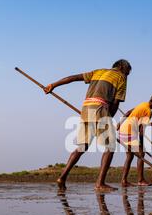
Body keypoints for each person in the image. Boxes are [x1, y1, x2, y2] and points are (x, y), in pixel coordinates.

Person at [44, 60, 131, 191]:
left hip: (86, 109)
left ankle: (62, 177)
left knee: (82, 146)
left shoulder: (99, 71)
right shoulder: (121, 78)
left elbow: (73, 78)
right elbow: (116, 103)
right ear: (123, 69)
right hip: (101, 108)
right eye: (127, 73)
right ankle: (100, 183)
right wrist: (108, 118)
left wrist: (53, 85)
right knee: (110, 147)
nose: (127, 75)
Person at [117, 93, 152, 187]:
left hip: (123, 130)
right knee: (141, 154)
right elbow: (142, 129)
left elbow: (128, 112)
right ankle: (141, 180)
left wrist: (119, 123)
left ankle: (124, 181)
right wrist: (142, 145)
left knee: (129, 156)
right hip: (129, 132)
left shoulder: (143, 104)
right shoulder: (148, 111)